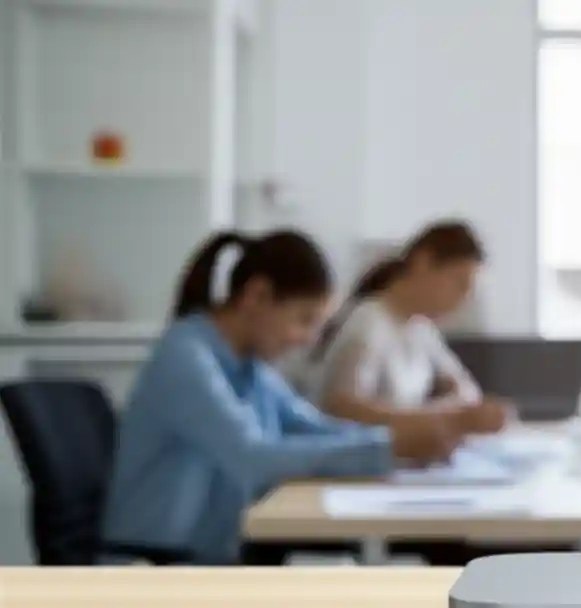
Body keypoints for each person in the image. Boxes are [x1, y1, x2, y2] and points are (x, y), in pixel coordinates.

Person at [100, 230, 458, 565]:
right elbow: (253, 456)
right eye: (304, 320)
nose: (308, 339)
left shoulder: (250, 367)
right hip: (154, 565)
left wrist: (398, 443)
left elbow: (312, 427)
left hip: (209, 559)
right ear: (257, 296)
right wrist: (386, 447)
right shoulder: (185, 356)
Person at [307, 221, 509, 436]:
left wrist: (466, 414)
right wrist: (434, 420)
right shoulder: (366, 325)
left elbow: (466, 392)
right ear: (423, 262)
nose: (463, 300)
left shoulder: (421, 328)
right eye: (459, 284)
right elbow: (342, 408)